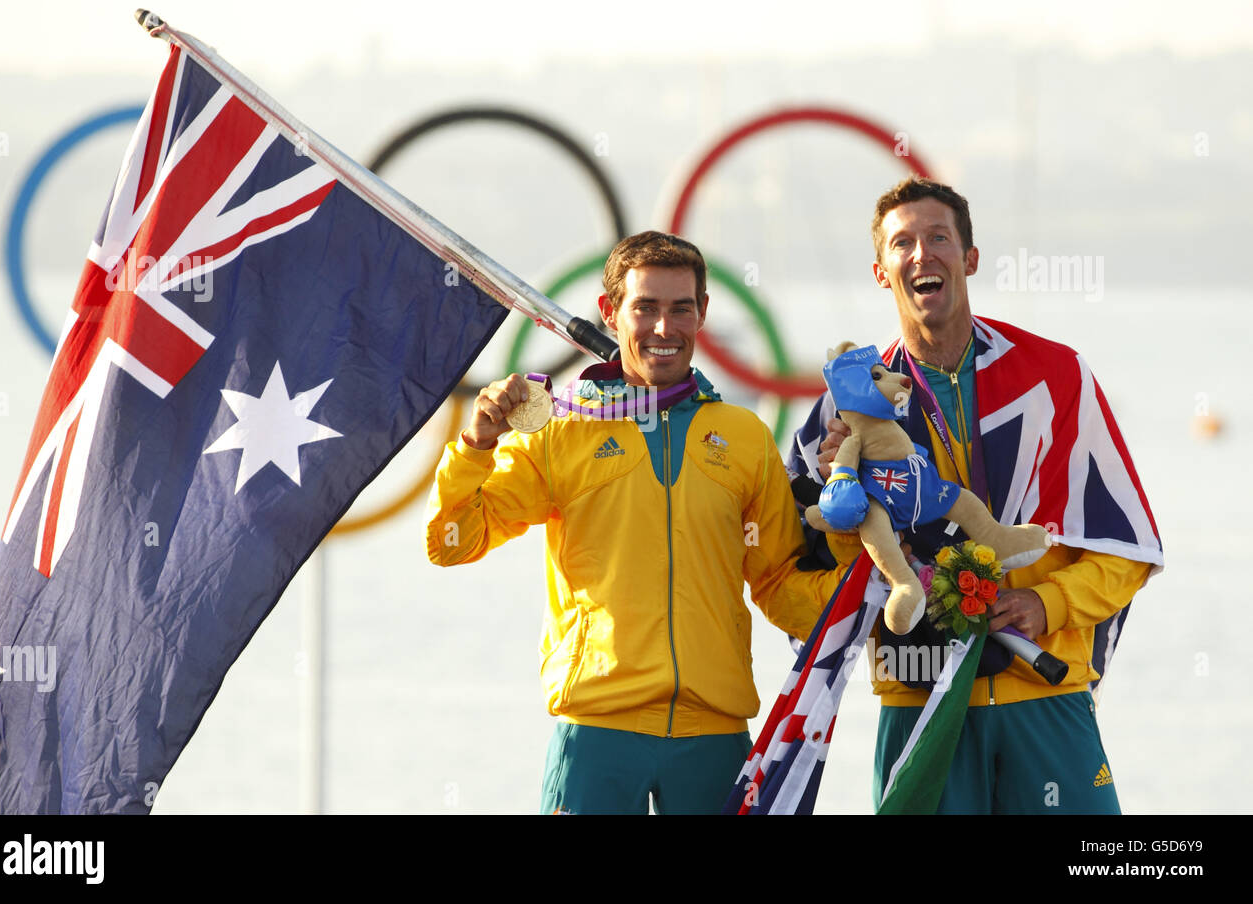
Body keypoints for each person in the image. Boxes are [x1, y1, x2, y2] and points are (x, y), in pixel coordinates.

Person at [425, 230, 857, 814]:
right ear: (610, 312)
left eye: (681, 308)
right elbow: (454, 542)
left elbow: (780, 585)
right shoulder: (559, 430)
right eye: (645, 307)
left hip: (715, 734)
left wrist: (866, 582)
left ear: (703, 312)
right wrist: (476, 443)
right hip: (599, 732)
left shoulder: (744, 436)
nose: (663, 328)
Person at [790, 177, 1162, 814]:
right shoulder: (843, 409)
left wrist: (1046, 602)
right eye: (901, 243)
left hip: (1042, 696)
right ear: (881, 272)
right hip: (920, 700)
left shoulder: (1055, 375)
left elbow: (1128, 547)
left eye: (938, 237)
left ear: (970, 258)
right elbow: (797, 577)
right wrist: (841, 512)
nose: (920, 254)